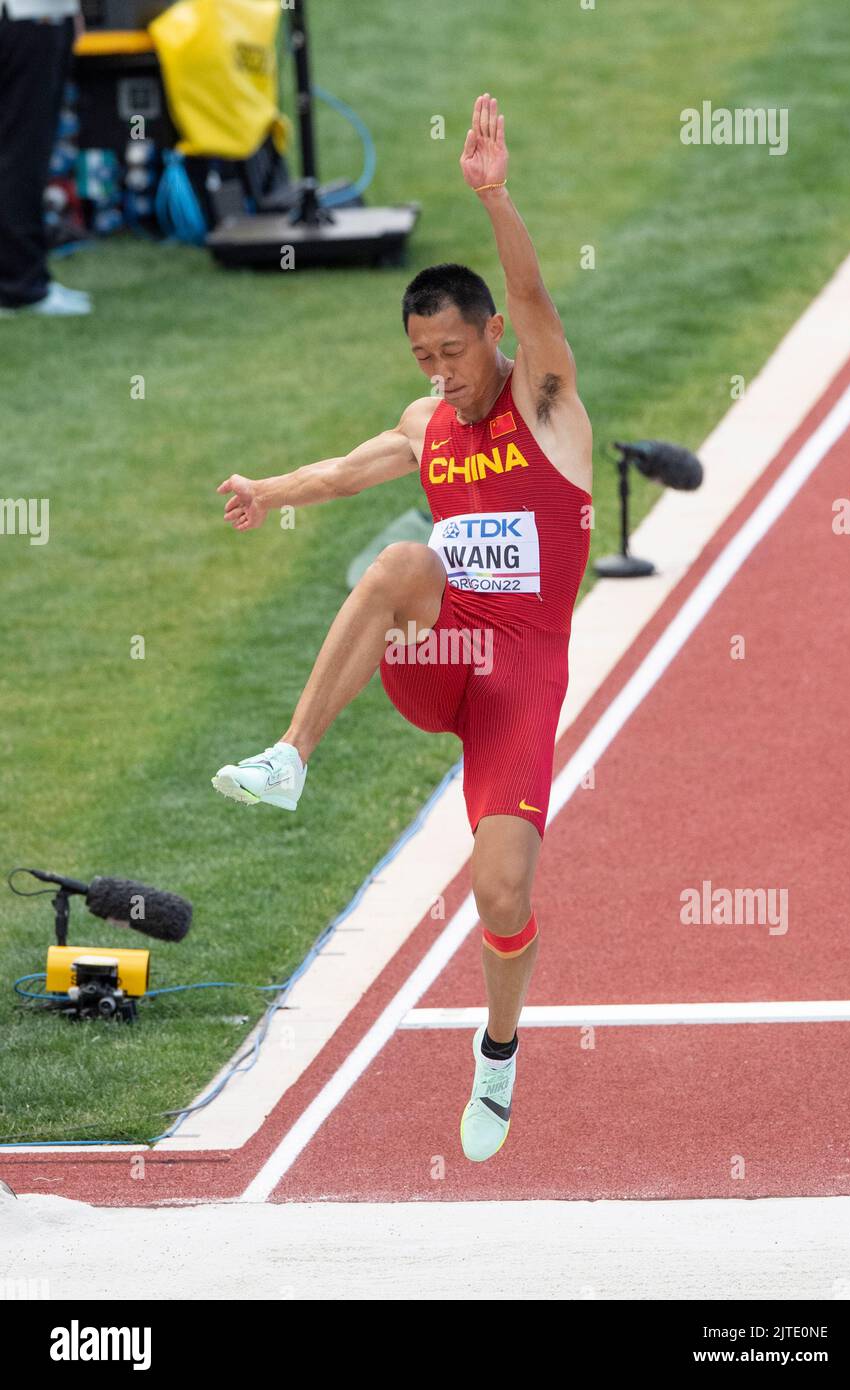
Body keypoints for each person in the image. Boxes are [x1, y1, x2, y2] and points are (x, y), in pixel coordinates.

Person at [213, 93, 593, 1162]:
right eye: (421, 355)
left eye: (453, 351)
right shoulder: (428, 420)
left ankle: (498, 1052)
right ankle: (292, 756)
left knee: (502, 887)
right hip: (440, 654)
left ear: (490, 338)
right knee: (393, 561)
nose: (438, 373)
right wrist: (267, 489)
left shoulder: (548, 403)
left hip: (518, 677)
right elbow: (347, 469)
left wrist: (493, 196)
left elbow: (529, 292)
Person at [0, 0, 91, 316]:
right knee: (21, 157)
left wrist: (70, 9)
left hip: (42, 13)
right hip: (26, 15)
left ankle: (26, 278)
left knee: (24, 155)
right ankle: (20, 286)